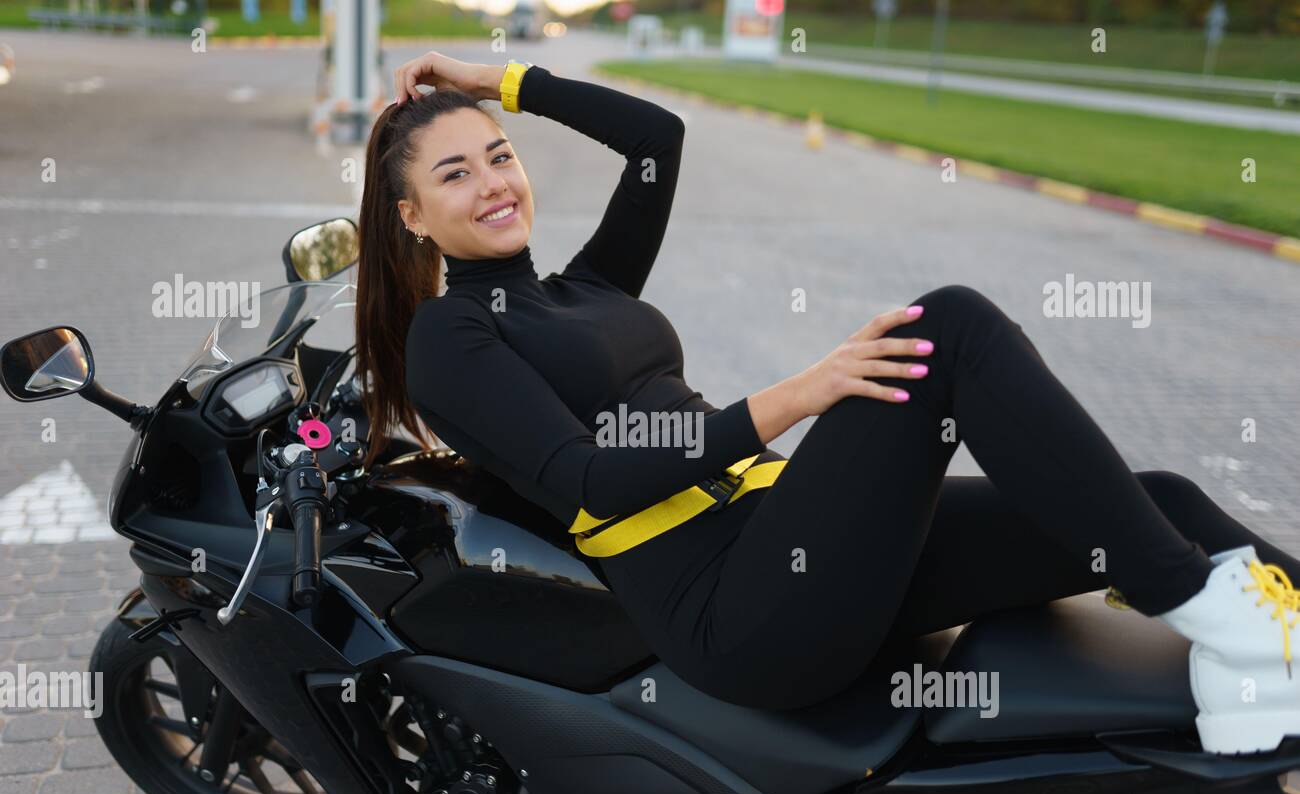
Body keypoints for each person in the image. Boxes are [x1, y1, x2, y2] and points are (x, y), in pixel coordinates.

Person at [352, 51, 1300, 756]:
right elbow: (591, 479)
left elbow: (656, 140)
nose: (493, 183)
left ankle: (1258, 639)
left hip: (794, 545)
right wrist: (796, 396)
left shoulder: (586, 287)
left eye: (499, 155)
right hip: (739, 613)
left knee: (1165, 497)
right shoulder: (450, 336)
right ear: (410, 217)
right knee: (949, 330)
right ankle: (1206, 609)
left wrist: (498, 78)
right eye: (455, 174)